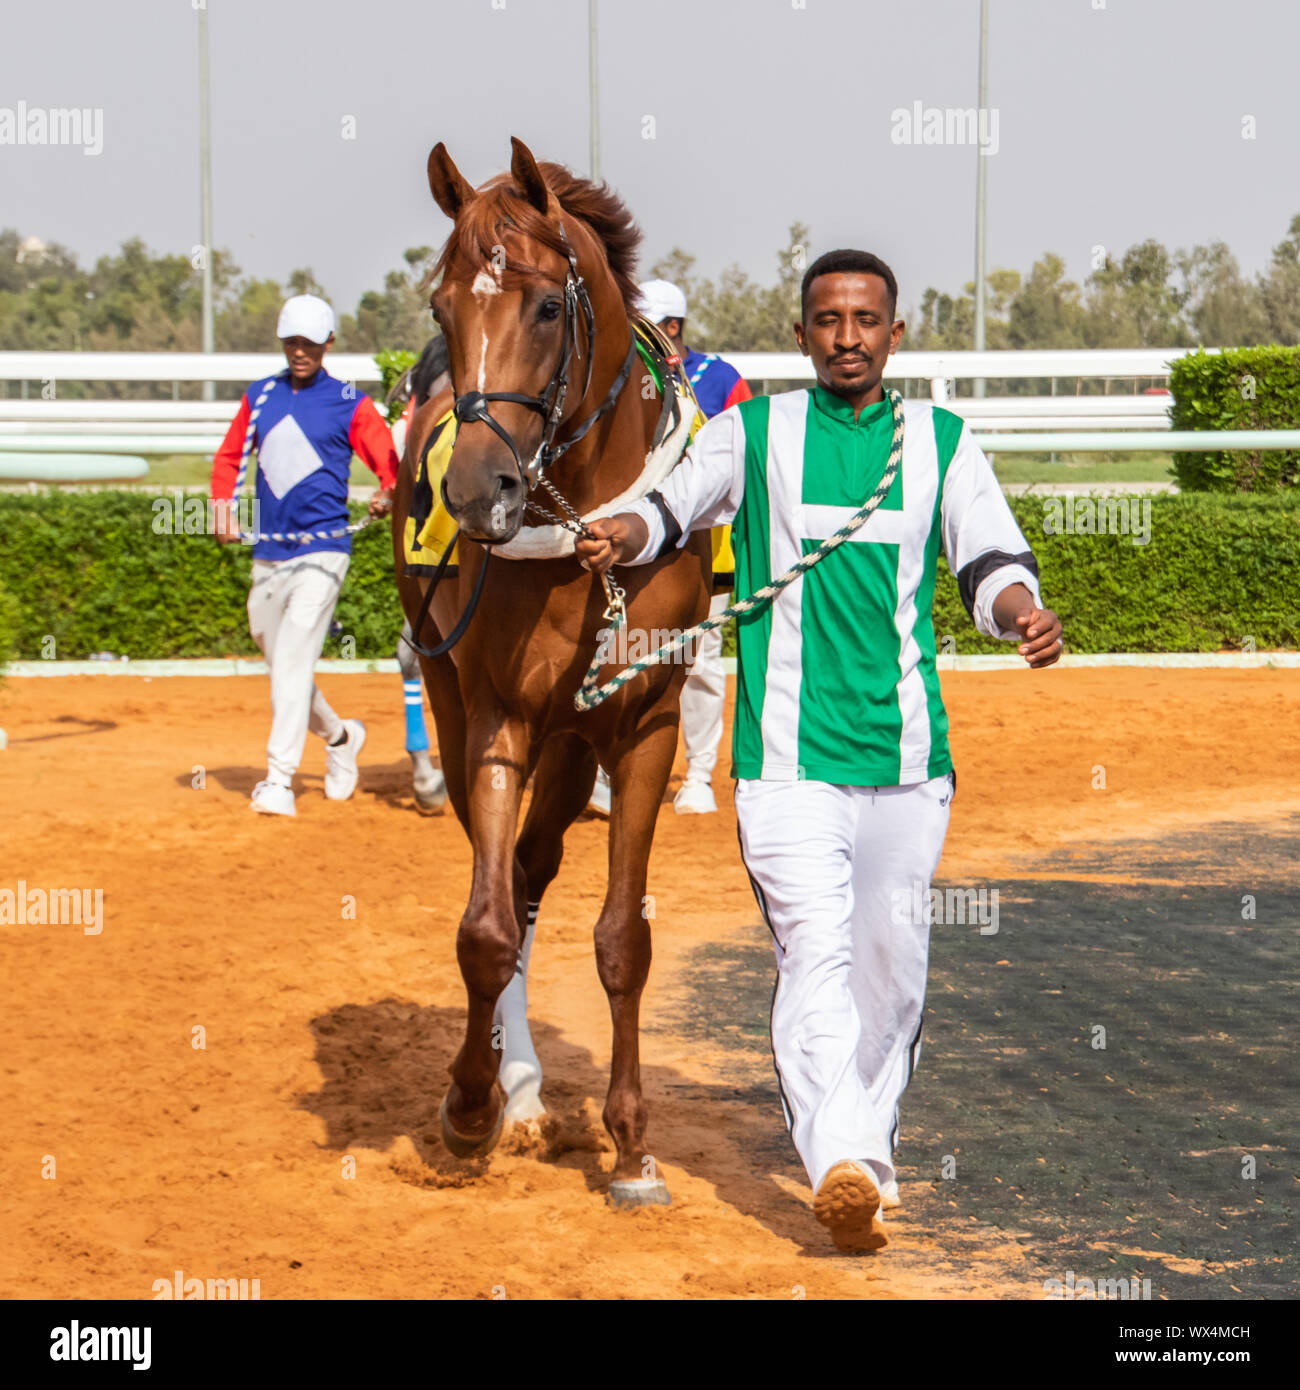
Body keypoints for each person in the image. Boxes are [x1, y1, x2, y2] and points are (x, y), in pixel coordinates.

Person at [577, 250, 1062, 1252]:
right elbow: (673, 500)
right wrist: (624, 530)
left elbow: (989, 552)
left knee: (893, 972)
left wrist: (1022, 613)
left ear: (895, 334)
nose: (847, 336)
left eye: (866, 319)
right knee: (815, 953)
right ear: (800, 336)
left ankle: (868, 1158)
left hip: (908, 767)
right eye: (828, 320)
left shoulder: (939, 440)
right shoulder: (751, 432)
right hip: (785, 765)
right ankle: (835, 1162)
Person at [211, 293, 398, 817]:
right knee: (283, 667)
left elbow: (390, 464)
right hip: (268, 552)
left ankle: (278, 779)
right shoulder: (260, 397)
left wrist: (386, 492)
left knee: (292, 661)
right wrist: (222, 509)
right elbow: (229, 458)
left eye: (310, 344)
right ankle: (341, 740)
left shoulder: (349, 402)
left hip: (324, 553)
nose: (300, 352)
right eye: (292, 343)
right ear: (282, 342)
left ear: (328, 345)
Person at [635, 278, 751, 816]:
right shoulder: (622, 377)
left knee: (700, 661)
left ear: (672, 328)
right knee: (619, 658)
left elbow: (746, 461)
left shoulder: (722, 379)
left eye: (648, 327)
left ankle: (698, 774)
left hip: (706, 554)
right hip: (633, 551)